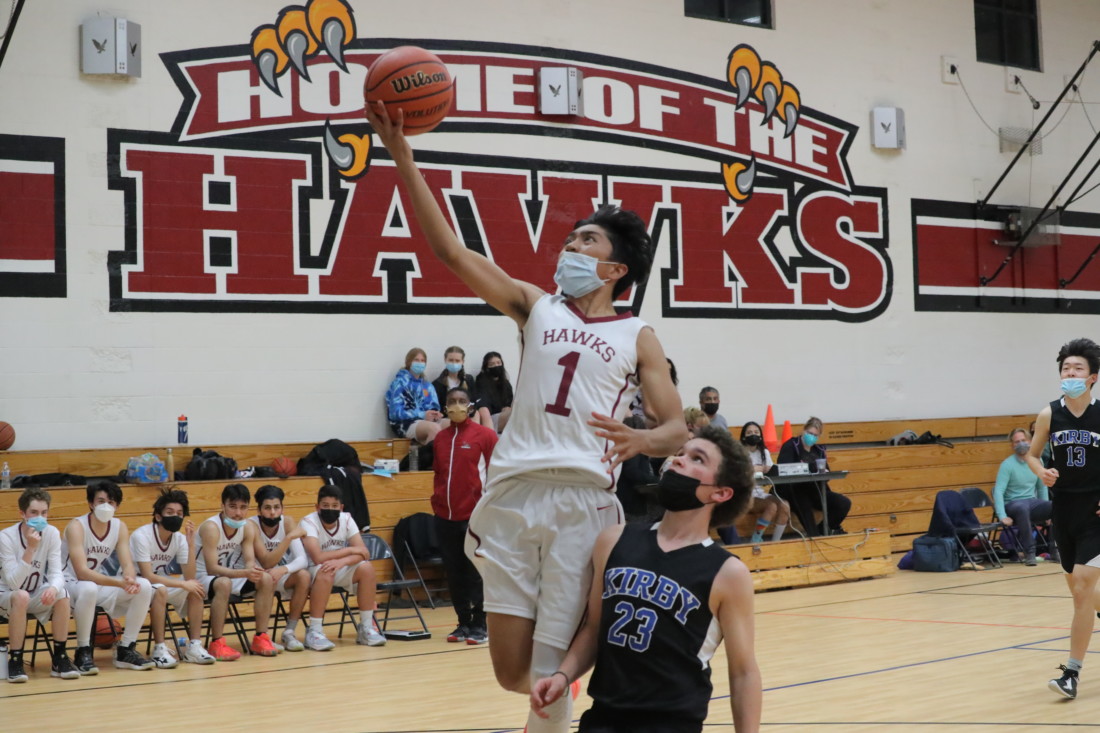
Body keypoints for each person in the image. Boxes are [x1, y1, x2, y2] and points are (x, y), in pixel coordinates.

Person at [367, 100, 688, 733]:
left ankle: (562, 690)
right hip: (513, 495)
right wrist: (402, 155)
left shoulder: (638, 335)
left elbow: (676, 427)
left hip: (582, 503)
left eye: (586, 240)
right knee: (511, 671)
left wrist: (642, 438)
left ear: (615, 268)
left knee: (545, 671)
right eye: (570, 239)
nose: (570, 246)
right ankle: (570, 675)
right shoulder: (536, 307)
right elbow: (451, 252)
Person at [530, 426, 761, 732]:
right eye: (680, 453)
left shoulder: (728, 573)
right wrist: (563, 676)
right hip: (602, 720)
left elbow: (743, 672)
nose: (678, 460)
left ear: (720, 492)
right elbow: (594, 629)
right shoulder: (613, 540)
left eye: (697, 459)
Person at [1028, 338, 1100, 699]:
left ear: (1092, 377)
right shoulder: (1048, 414)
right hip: (1064, 510)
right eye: (1066, 369)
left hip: (1095, 512)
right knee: (1079, 590)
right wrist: (1041, 471)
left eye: (1077, 369)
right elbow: (1032, 454)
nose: (1070, 373)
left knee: (1084, 588)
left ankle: (1071, 673)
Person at [62, 479, 154, 673]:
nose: (106, 506)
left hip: (95, 583)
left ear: (117, 506)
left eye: (111, 502)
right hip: (68, 585)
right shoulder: (76, 526)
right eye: (101, 501)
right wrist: (119, 583)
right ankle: (83, 650)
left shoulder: (119, 527)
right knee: (88, 588)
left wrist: (129, 578)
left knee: (144, 586)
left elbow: (127, 563)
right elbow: (82, 572)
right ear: (91, 503)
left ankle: (126, 649)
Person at [432, 386, 498, 645]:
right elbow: (439, 474)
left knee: (476, 571)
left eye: (462, 400)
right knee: (454, 571)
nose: (457, 405)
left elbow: (498, 475)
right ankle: (463, 622)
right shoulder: (440, 438)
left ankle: (481, 624)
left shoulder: (486, 436)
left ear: (470, 406)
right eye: (452, 401)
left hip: (476, 516)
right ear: (445, 406)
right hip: (444, 517)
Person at [0, 488, 80, 683]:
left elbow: (56, 573)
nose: (40, 517)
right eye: (34, 513)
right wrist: (30, 549)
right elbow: (13, 583)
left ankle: (60, 658)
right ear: (22, 514)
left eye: (44, 513)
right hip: (6, 596)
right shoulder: (5, 537)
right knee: (21, 595)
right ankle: (16, 660)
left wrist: (53, 588)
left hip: (33, 594)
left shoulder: (51, 533)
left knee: (62, 593)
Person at [130, 488, 216, 666]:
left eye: (179, 513)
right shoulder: (141, 536)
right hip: (135, 585)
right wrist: (183, 585)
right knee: (162, 589)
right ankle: (159, 649)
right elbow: (147, 575)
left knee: (196, 588)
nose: (175, 517)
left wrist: (191, 545)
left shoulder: (179, 538)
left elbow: (190, 576)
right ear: (158, 516)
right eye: (170, 513)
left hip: (157, 584)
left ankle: (194, 646)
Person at [194, 483, 278, 660]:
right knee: (224, 583)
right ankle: (217, 643)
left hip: (227, 575)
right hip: (200, 577)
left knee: (265, 579)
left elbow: (249, 559)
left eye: (243, 507)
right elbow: (212, 568)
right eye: (232, 507)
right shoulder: (211, 527)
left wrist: (252, 570)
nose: (238, 513)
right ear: (222, 506)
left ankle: (261, 637)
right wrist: (244, 573)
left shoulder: (247, 527)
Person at [300, 485, 386, 649]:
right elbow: (318, 557)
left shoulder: (346, 519)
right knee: (326, 570)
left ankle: (366, 627)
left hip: (338, 567)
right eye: (325, 505)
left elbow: (364, 553)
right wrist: (349, 551)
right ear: (317, 507)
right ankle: (314, 631)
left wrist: (342, 562)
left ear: (341, 508)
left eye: (334, 506)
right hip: (312, 570)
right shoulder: (308, 522)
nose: (330, 509)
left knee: (366, 568)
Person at [249, 484, 312, 652]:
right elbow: (266, 562)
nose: (272, 512)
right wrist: (289, 537)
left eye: (276, 507)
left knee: (304, 576)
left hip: (278, 574)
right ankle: (264, 636)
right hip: (256, 577)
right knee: (267, 578)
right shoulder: (251, 525)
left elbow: (302, 560)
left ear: (282, 509)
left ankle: (289, 632)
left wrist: (283, 569)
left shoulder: (287, 522)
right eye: (267, 508)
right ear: (259, 510)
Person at [775, 417, 850, 536]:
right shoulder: (791, 445)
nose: (812, 437)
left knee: (843, 503)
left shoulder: (818, 450)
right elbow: (784, 469)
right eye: (809, 433)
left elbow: (826, 472)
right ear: (803, 430)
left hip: (814, 489)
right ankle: (813, 535)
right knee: (802, 498)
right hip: (793, 490)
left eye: (815, 435)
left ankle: (824, 529)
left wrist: (822, 471)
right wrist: (810, 467)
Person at [994, 428, 1053, 566]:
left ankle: (1054, 550)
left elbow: (1041, 487)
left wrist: (1047, 512)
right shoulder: (1007, 465)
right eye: (1017, 442)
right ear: (1012, 445)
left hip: (1031, 502)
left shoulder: (1037, 462)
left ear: (1030, 441)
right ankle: (1029, 552)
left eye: (1023, 440)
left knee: (1055, 506)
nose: (1020, 444)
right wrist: (1002, 515)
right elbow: (998, 491)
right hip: (1013, 504)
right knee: (1022, 508)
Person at [740, 421, 790, 543]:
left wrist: (767, 471)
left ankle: (775, 542)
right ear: (743, 437)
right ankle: (756, 539)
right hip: (745, 494)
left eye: (756, 432)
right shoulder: (738, 452)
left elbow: (770, 471)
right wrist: (753, 469)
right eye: (749, 432)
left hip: (760, 492)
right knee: (771, 506)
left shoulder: (764, 452)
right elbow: (736, 473)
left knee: (785, 505)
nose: (753, 434)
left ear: (761, 436)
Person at [386, 347, 445, 445]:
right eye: (416, 360)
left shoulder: (427, 386)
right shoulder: (399, 383)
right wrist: (422, 415)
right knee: (434, 429)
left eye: (422, 361)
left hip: (426, 421)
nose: (420, 363)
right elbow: (394, 413)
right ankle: (427, 455)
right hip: (405, 423)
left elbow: (434, 406)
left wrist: (435, 414)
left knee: (453, 425)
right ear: (409, 362)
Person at [432, 346, 493, 428]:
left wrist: (467, 412)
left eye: (457, 361)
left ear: (462, 362)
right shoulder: (437, 383)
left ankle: (482, 435)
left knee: (477, 413)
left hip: (466, 414)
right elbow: (438, 407)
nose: (454, 363)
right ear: (445, 360)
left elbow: (474, 400)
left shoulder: (468, 379)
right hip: (448, 417)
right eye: (451, 360)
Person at [475, 351, 514, 432]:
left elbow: (509, 402)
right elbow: (484, 406)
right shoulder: (481, 382)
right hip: (489, 419)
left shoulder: (505, 383)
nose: (496, 366)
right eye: (492, 364)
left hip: (504, 415)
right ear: (486, 367)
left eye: (498, 363)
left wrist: (507, 408)